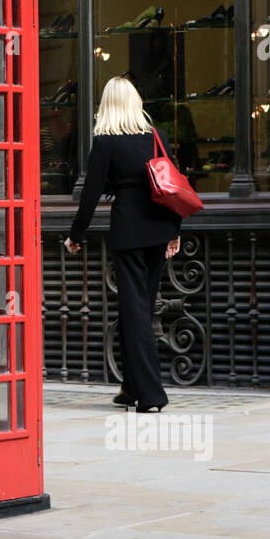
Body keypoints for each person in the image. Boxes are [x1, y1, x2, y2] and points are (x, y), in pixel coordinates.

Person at [64, 75, 182, 412]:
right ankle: (131, 388)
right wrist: (174, 230)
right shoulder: (157, 137)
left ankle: (151, 395)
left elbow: (90, 193)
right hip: (159, 231)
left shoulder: (107, 141)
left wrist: (76, 234)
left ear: (107, 106)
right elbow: (174, 185)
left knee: (134, 314)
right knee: (140, 310)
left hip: (130, 233)